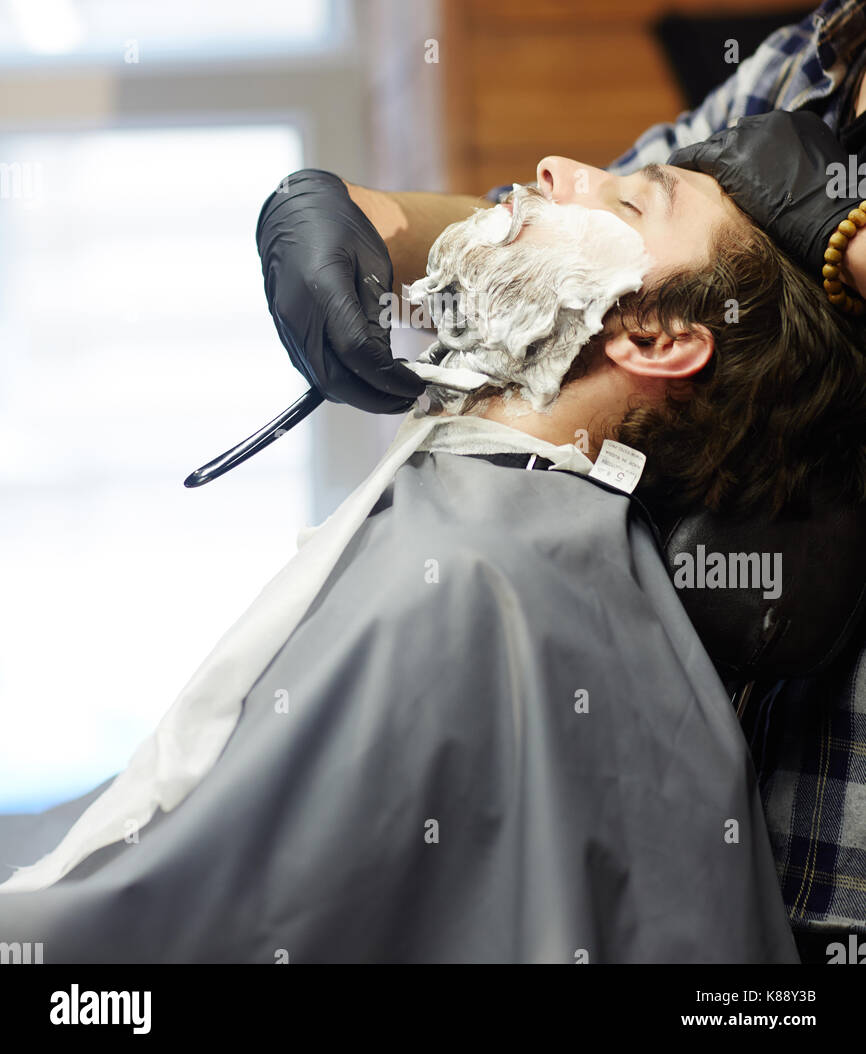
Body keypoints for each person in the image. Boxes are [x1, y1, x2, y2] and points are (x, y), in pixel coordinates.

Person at [254, 0, 866, 957]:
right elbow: (597, 226)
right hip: (751, 886)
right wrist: (356, 220)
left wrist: (848, 238)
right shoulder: (799, 73)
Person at [7, 159, 865, 963]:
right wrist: (346, 207)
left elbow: (163, 920)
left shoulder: (462, 577)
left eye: (630, 199)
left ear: (653, 339)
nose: (554, 167)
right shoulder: (529, 561)